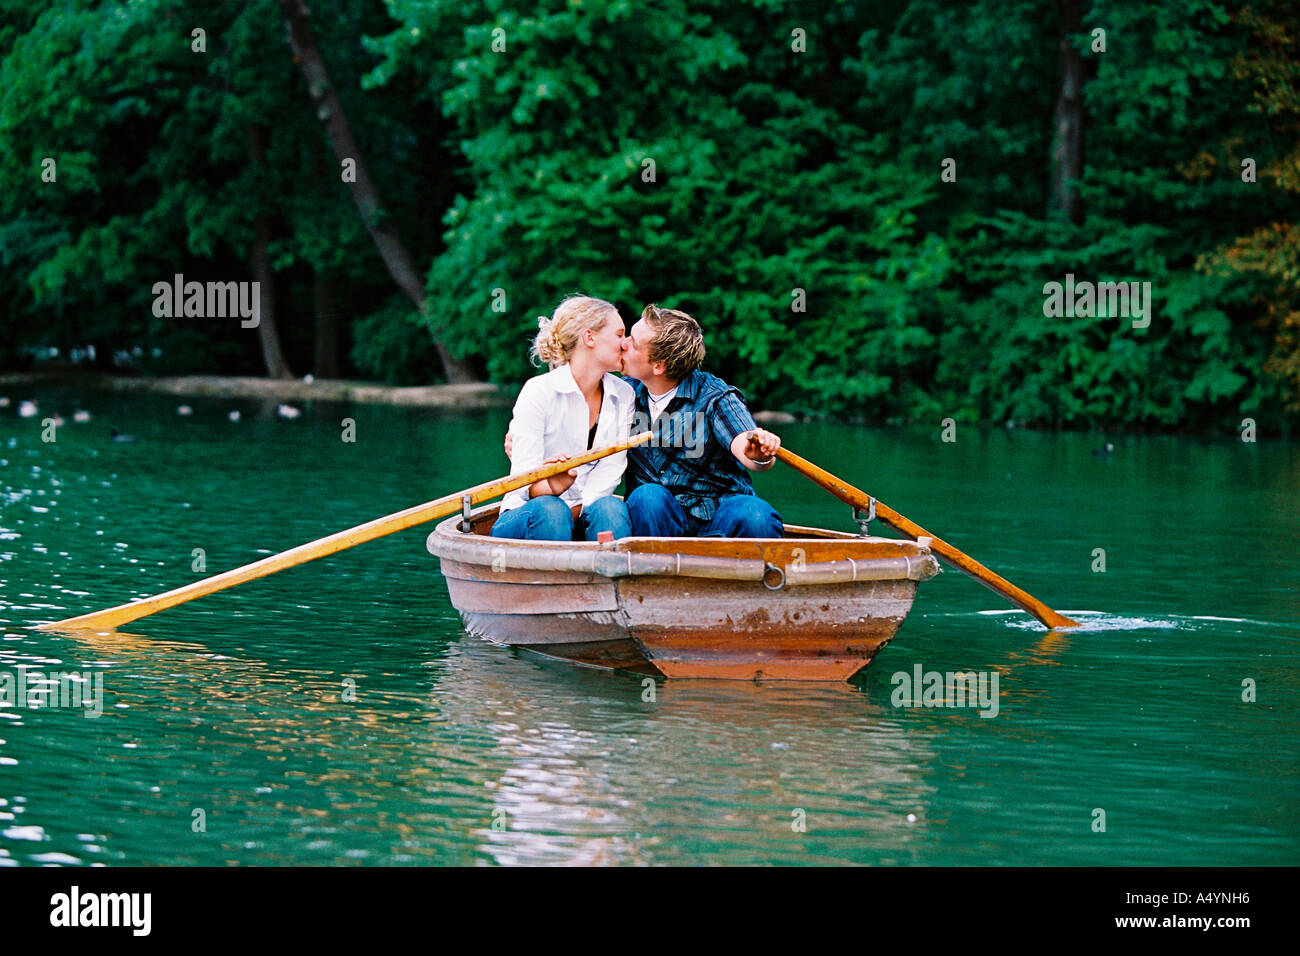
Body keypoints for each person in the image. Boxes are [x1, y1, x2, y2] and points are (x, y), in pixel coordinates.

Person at [618, 304, 784, 538]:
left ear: (658, 366)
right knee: (648, 497)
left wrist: (759, 454)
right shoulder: (622, 394)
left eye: (633, 342)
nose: (622, 344)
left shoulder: (715, 397)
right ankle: (656, 570)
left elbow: (745, 445)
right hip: (654, 520)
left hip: (716, 521)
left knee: (755, 515)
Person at [492, 295, 635, 541]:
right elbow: (522, 480)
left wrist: (579, 509)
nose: (625, 344)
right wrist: (551, 487)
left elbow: (610, 472)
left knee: (611, 509)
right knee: (552, 510)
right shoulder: (538, 391)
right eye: (619, 334)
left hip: (588, 509)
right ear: (590, 337)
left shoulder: (624, 394)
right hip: (529, 514)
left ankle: (613, 576)